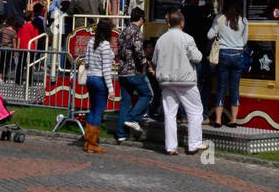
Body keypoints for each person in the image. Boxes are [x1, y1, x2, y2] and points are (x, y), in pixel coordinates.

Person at [152, 9, 207, 156]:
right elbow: (197, 57)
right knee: (195, 110)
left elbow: (155, 61)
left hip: (166, 81)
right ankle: (194, 144)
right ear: (182, 23)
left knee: (170, 114)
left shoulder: (161, 39)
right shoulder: (187, 38)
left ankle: (170, 147)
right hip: (185, 80)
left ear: (168, 23)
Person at [209, 0, 249, 128]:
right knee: (234, 88)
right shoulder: (243, 20)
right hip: (238, 55)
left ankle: (218, 120)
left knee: (221, 87)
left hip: (224, 54)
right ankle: (233, 120)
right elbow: (244, 41)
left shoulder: (220, 19)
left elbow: (209, 35)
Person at [115, 9, 153, 143]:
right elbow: (138, 52)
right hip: (134, 71)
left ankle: (120, 134)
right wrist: (144, 66)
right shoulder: (137, 32)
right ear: (141, 19)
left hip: (122, 71)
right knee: (147, 94)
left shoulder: (123, 31)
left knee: (125, 102)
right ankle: (132, 118)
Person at [82, 18, 114, 154]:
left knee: (92, 110)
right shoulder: (105, 44)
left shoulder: (91, 42)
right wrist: (111, 89)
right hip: (100, 79)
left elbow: (86, 61)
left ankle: (87, 142)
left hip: (90, 78)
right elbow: (106, 69)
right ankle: (93, 143)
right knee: (98, 111)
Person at [182, 0, 212, 118]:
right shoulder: (198, 13)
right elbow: (207, 30)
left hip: (184, 54)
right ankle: (202, 113)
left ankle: (184, 114)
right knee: (203, 83)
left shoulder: (182, 11)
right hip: (198, 52)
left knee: (186, 85)